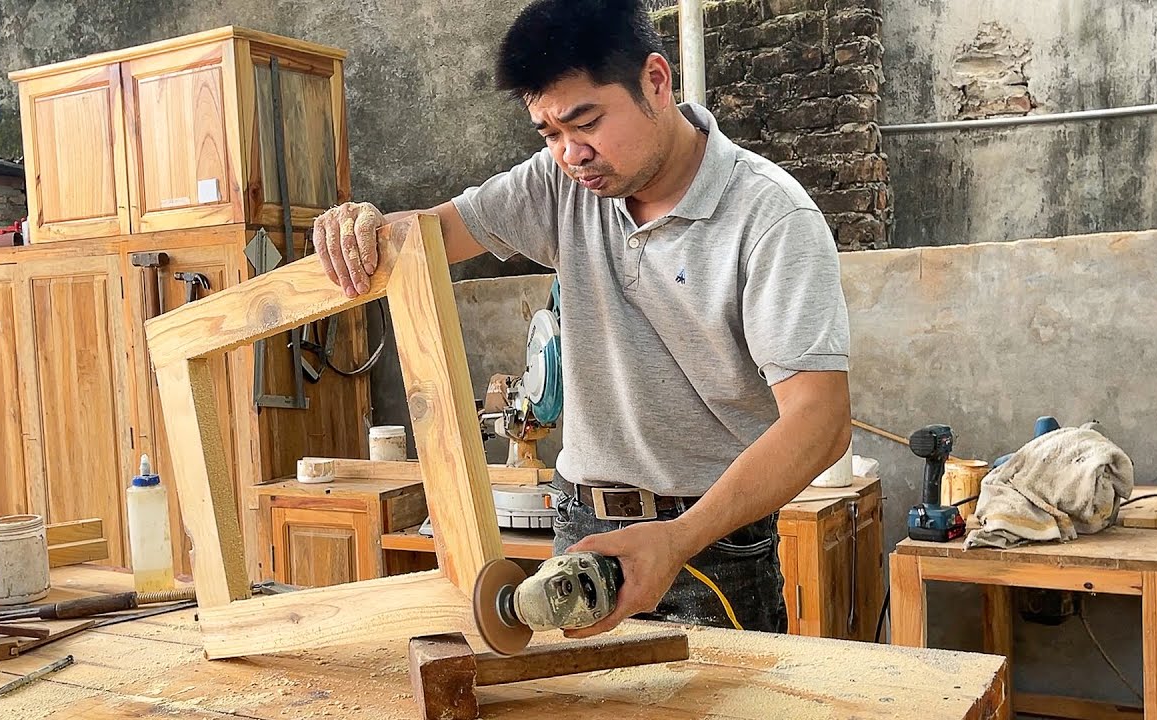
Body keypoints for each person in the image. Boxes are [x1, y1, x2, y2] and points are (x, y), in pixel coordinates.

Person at [311, 0, 852, 638]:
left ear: (656, 81)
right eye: (549, 133)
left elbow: (820, 422)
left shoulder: (770, 218)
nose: (571, 154)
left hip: (713, 540)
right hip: (580, 526)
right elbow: (426, 238)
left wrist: (678, 539)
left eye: (585, 122)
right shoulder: (561, 182)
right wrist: (363, 226)